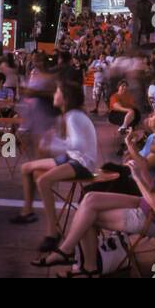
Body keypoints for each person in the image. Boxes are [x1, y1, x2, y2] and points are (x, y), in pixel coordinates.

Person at [33, 116, 155, 276]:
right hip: (149, 208)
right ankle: (69, 253)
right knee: (89, 198)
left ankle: (84, 265)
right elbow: (154, 190)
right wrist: (138, 169)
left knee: (86, 216)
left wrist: (136, 178)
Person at [12, 80, 100, 251]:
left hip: (82, 163)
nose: (53, 95)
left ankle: (52, 233)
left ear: (65, 98)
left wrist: (53, 144)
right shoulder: (71, 115)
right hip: (72, 158)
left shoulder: (73, 116)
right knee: (26, 168)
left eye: (57, 92)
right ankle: (27, 212)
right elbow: (73, 143)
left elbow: (79, 145)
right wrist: (55, 142)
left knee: (43, 181)